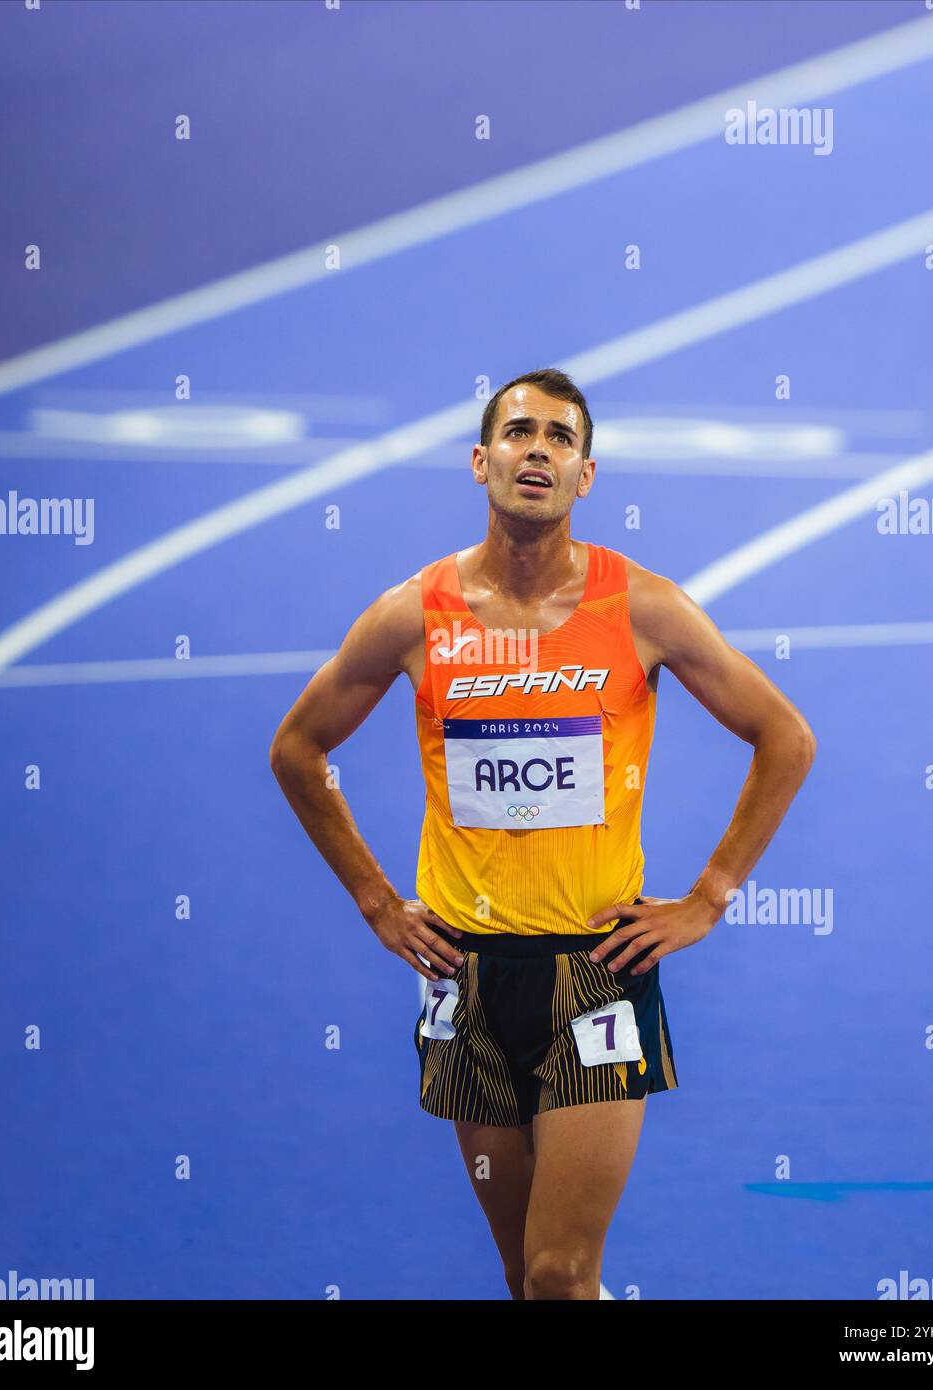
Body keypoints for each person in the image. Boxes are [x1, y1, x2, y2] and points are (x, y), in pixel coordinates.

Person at [270, 367, 816, 1300]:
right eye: (519, 432)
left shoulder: (640, 607)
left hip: (597, 973)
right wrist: (373, 900)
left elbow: (784, 738)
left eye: (560, 439)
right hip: (464, 974)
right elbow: (298, 748)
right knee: (525, 1277)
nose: (538, 451)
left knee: (562, 1274)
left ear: (585, 476)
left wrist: (709, 897)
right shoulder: (414, 615)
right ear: (481, 461)